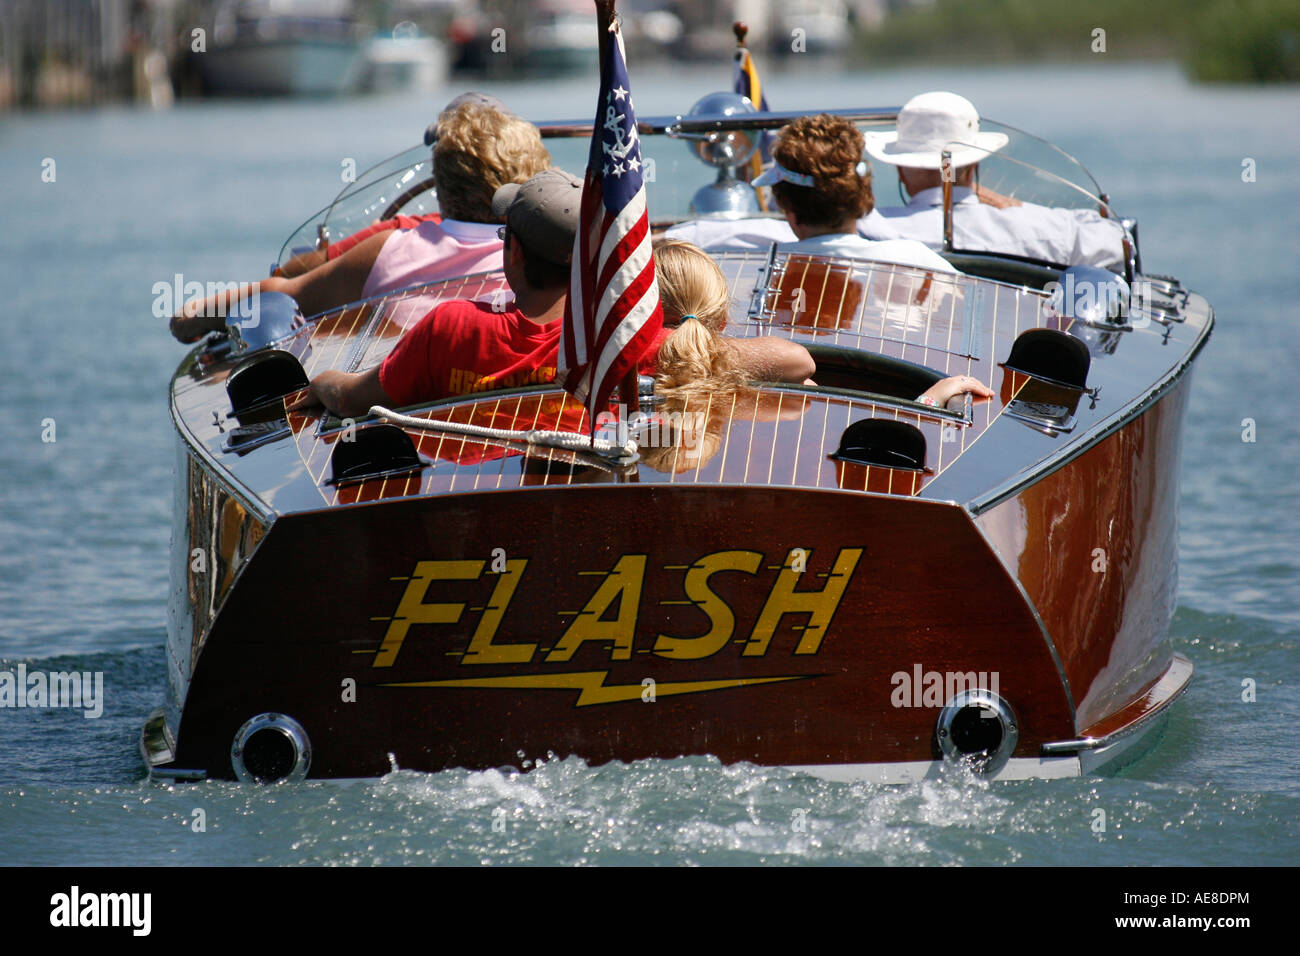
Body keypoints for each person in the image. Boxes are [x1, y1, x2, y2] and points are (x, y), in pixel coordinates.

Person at [289, 174, 817, 419]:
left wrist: (323, 381)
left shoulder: (450, 330)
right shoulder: (637, 345)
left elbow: (356, 399)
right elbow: (797, 362)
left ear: (513, 252)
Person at [169, 99, 550, 343]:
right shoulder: (557, 255)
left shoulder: (391, 250)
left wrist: (195, 315)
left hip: (402, 411)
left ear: (442, 186)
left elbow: (285, 290)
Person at [859, 91, 1126, 270]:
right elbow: (1119, 243)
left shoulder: (871, 230)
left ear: (901, 170)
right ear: (974, 163)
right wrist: (1014, 205)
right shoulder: (1045, 230)